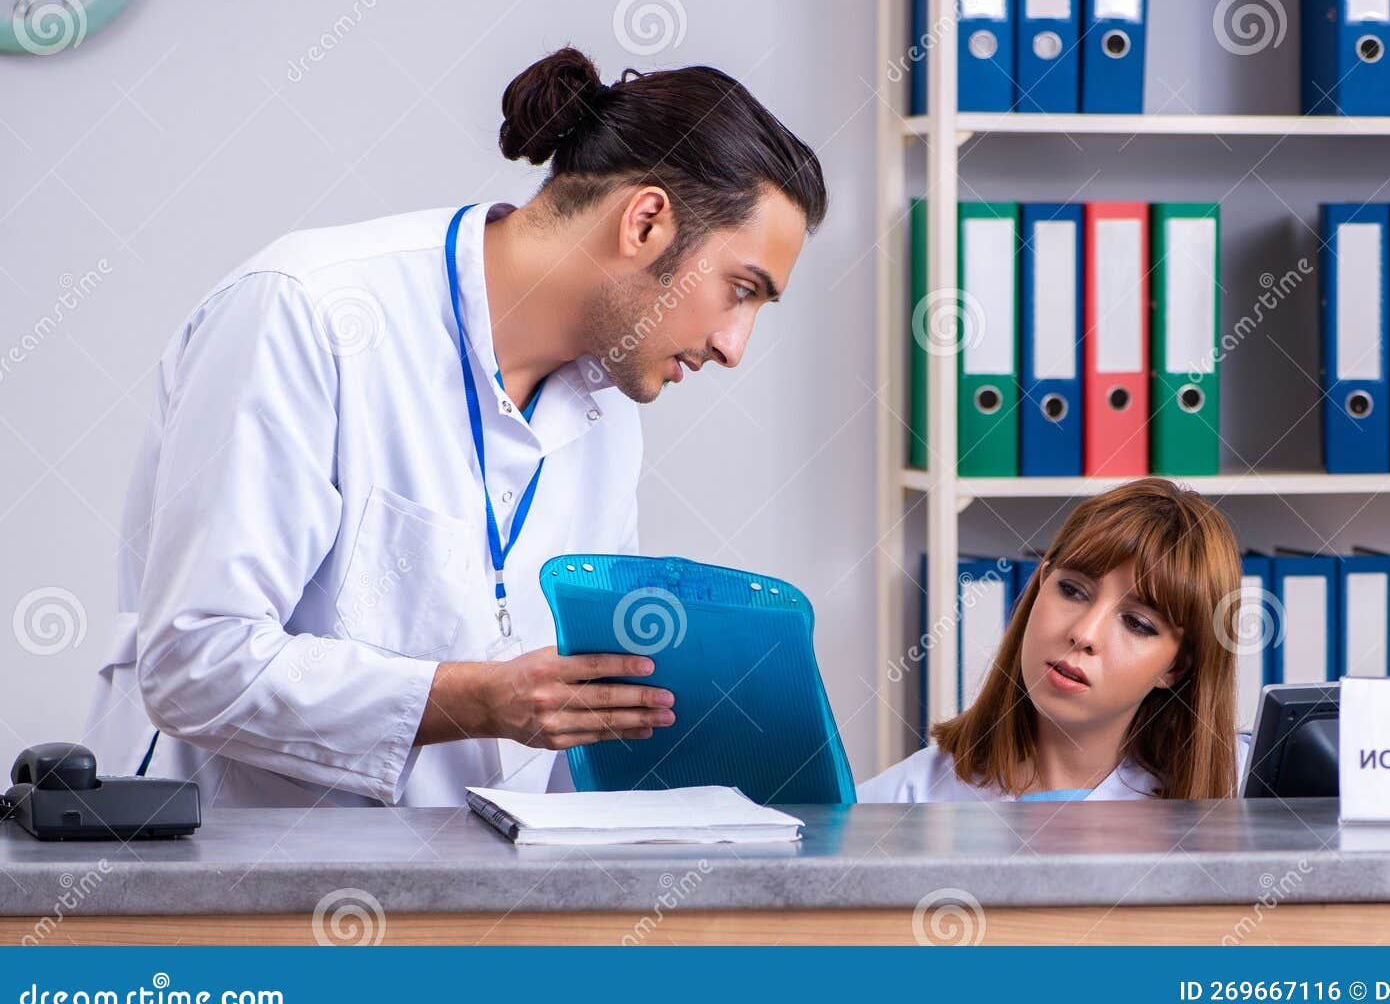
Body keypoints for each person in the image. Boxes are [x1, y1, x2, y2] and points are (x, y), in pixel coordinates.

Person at [83, 46, 828, 807]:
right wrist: (474, 699)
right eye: (741, 289)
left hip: (461, 888)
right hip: (229, 875)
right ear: (645, 222)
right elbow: (195, 663)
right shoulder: (308, 310)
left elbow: (575, 706)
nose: (734, 347)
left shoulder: (608, 413)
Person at [860, 478, 1250, 803]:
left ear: (1175, 667)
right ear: (1040, 585)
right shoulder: (907, 799)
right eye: (1072, 590)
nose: (1084, 634)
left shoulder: (1245, 787)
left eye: (1137, 623)